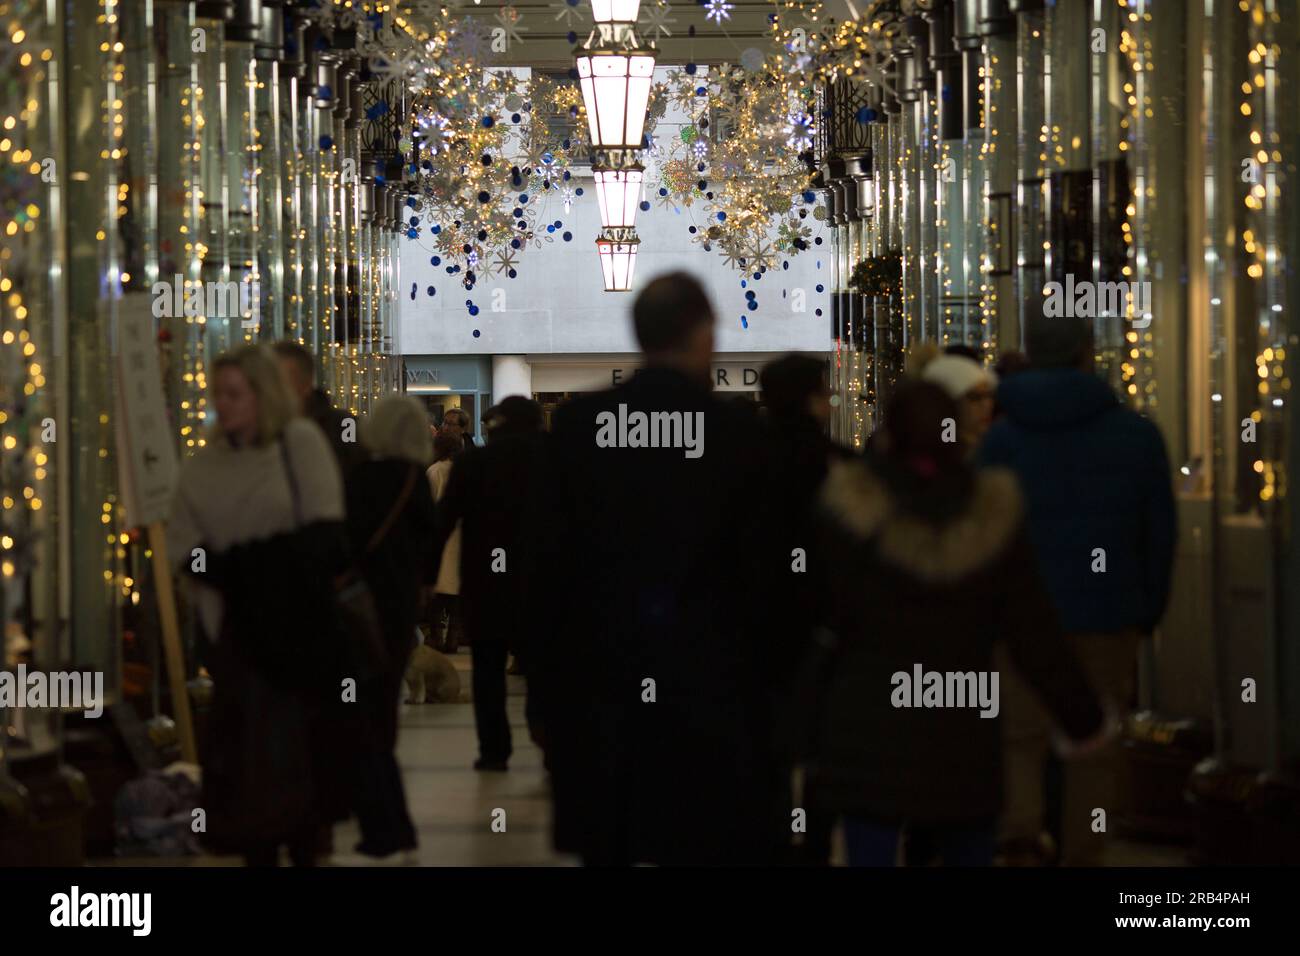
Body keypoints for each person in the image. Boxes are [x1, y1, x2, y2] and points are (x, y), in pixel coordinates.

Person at [528, 272, 782, 866]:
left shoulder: (578, 427)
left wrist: (543, 693)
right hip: (712, 688)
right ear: (704, 334)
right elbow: (767, 575)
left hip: (600, 683)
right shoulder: (738, 433)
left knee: (610, 835)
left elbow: (545, 570)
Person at [802, 381, 1107, 867]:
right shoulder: (991, 519)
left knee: (871, 846)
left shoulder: (846, 517)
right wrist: (1081, 716)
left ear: (888, 437)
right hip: (962, 727)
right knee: (967, 844)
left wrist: (802, 720)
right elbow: (1033, 630)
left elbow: (820, 620)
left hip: (869, 729)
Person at [978, 313, 1176, 866]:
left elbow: (983, 535)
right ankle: (1084, 855)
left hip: (1020, 622)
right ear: (1088, 352)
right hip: (1106, 615)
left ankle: (1021, 843)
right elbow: (1157, 535)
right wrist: (1146, 610)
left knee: (1020, 738)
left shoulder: (1002, 440)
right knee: (1095, 746)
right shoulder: (1135, 436)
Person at [168, 344, 348, 866]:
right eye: (216, 394)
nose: (221, 405)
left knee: (300, 774)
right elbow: (187, 553)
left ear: (261, 394)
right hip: (238, 642)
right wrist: (237, 571)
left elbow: (325, 539)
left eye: (233, 393)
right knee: (251, 784)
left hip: (300, 637)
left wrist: (241, 566)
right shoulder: (204, 467)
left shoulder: (300, 445)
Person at [758, 353, 852, 865]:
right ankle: (815, 843)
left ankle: (774, 836)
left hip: (755, 624)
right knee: (822, 744)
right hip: (825, 623)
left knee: (766, 742)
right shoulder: (837, 465)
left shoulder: (740, 462)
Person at [431, 396, 547, 772]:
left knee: (487, 668)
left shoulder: (474, 462)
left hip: (485, 583)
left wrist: (426, 574)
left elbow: (444, 520)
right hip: (540, 583)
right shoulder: (555, 461)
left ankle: (494, 749)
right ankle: (546, 734)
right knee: (544, 666)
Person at [344, 396, 437, 861]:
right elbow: (429, 545)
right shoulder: (414, 479)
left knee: (364, 721)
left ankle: (386, 825)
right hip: (399, 612)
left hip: (360, 611)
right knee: (381, 719)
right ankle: (394, 825)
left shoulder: (360, 478)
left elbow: (345, 544)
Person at [272, 340, 367, 478]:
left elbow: (357, 474)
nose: (272, 390)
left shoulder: (345, 424)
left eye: (281, 382)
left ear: (306, 384)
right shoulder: (262, 430)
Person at [426, 431, 465, 654]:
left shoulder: (433, 471)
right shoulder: (463, 470)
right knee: (456, 592)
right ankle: (453, 637)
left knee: (437, 591)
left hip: (438, 535)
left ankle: (436, 636)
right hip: (460, 535)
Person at [916, 350, 999, 452]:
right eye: (975, 398)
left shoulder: (992, 448)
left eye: (989, 396)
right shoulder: (941, 457)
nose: (987, 404)